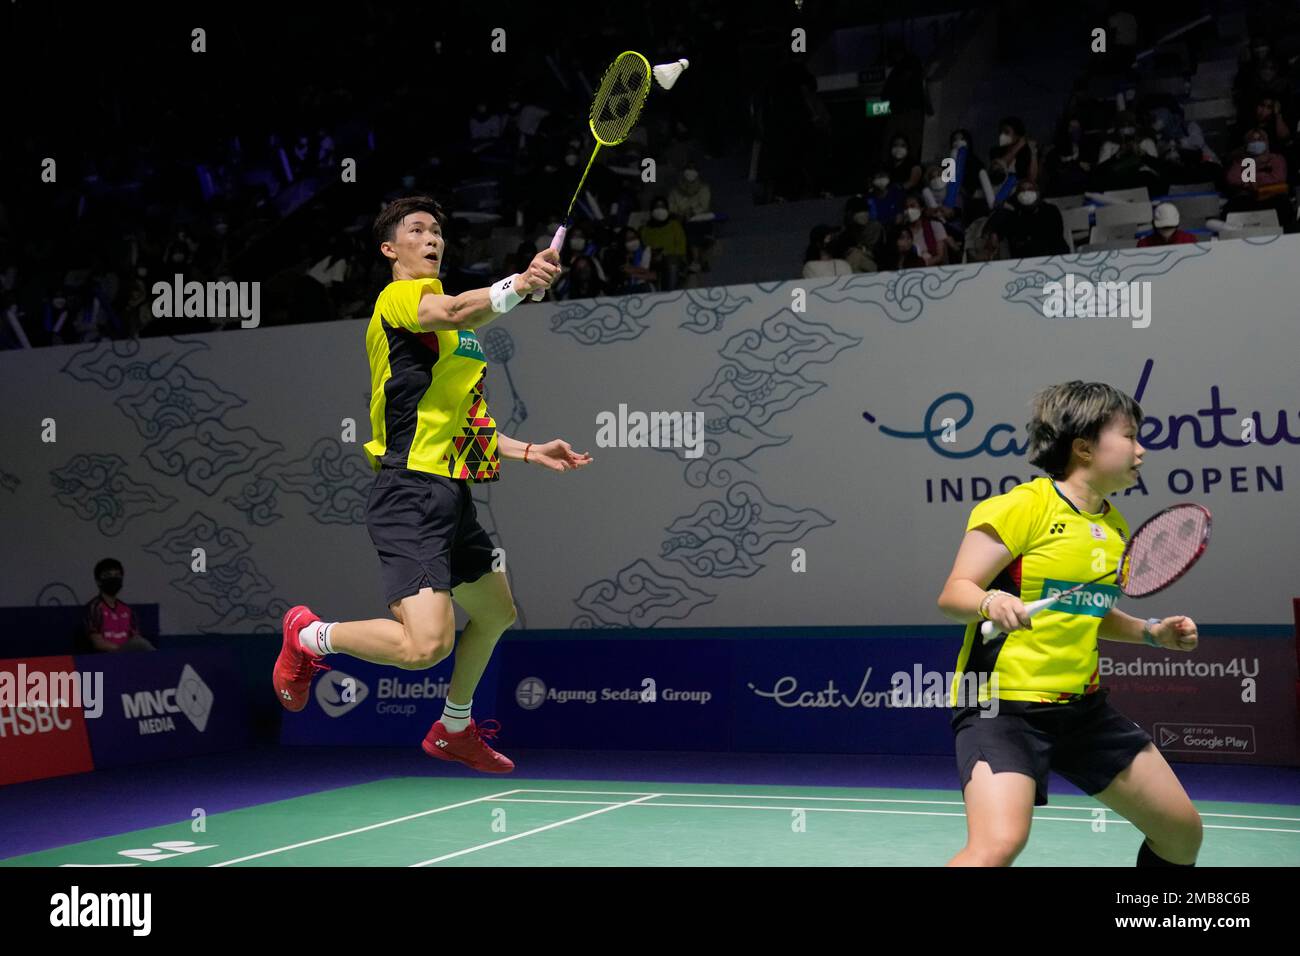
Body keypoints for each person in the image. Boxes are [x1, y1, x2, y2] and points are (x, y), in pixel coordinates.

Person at [273, 195, 591, 773]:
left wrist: (528, 450)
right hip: (408, 491)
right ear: (390, 249)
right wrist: (517, 284)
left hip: (450, 494)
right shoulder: (400, 300)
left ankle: (453, 727)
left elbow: (464, 425)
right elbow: (453, 310)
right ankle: (310, 636)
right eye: (417, 230)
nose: (432, 237)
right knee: (425, 647)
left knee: (496, 613)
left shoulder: (463, 341)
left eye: (438, 230)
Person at [937, 381, 1203, 867]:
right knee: (997, 845)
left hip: (1082, 711)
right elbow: (955, 594)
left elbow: (1090, 611)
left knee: (1181, 833)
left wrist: (1150, 632)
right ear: (1083, 446)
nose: (1142, 450)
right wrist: (991, 601)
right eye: (1130, 436)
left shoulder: (1116, 527)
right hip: (1003, 709)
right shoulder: (1023, 507)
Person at [84, 558, 155, 652]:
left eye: (117, 575)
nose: (113, 579)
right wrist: (122, 651)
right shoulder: (94, 607)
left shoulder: (127, 610)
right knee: (141, 644)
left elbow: (135, 637)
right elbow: (98, 643)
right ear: (98, 581)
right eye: (108, 575)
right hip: (105, 659)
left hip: (129, 658)